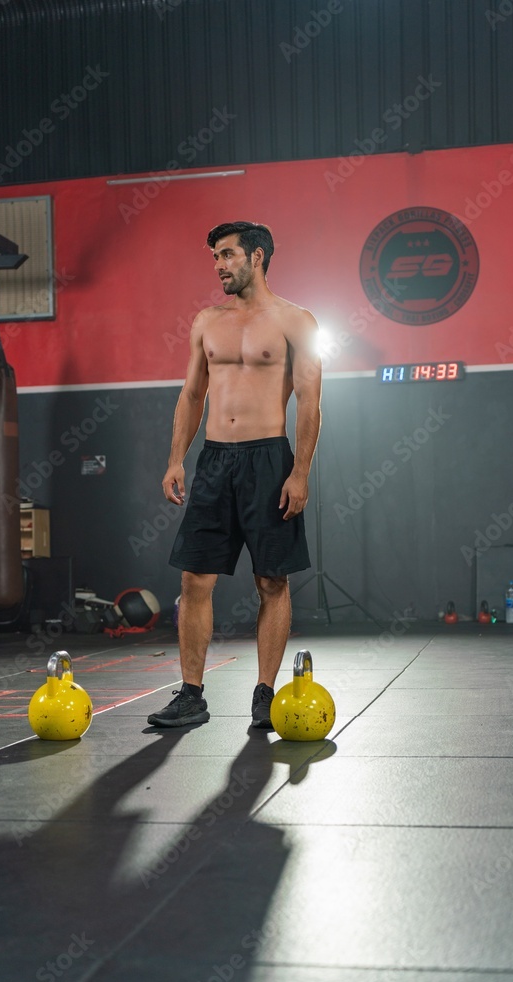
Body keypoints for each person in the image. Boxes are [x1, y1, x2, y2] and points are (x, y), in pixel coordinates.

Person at [147, 221, 322, 730]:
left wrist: (301, 471)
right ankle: (191, 695)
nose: (219, 265)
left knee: (272, 581)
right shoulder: (207, 321)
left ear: (257, 256)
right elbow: (191, 395)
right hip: (215, 461)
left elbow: (310, 401)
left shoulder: (296, 321)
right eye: (215, 257)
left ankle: (265, 695)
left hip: (269, 460)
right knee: (194, 579)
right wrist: (177, 458)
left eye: (227, 255)